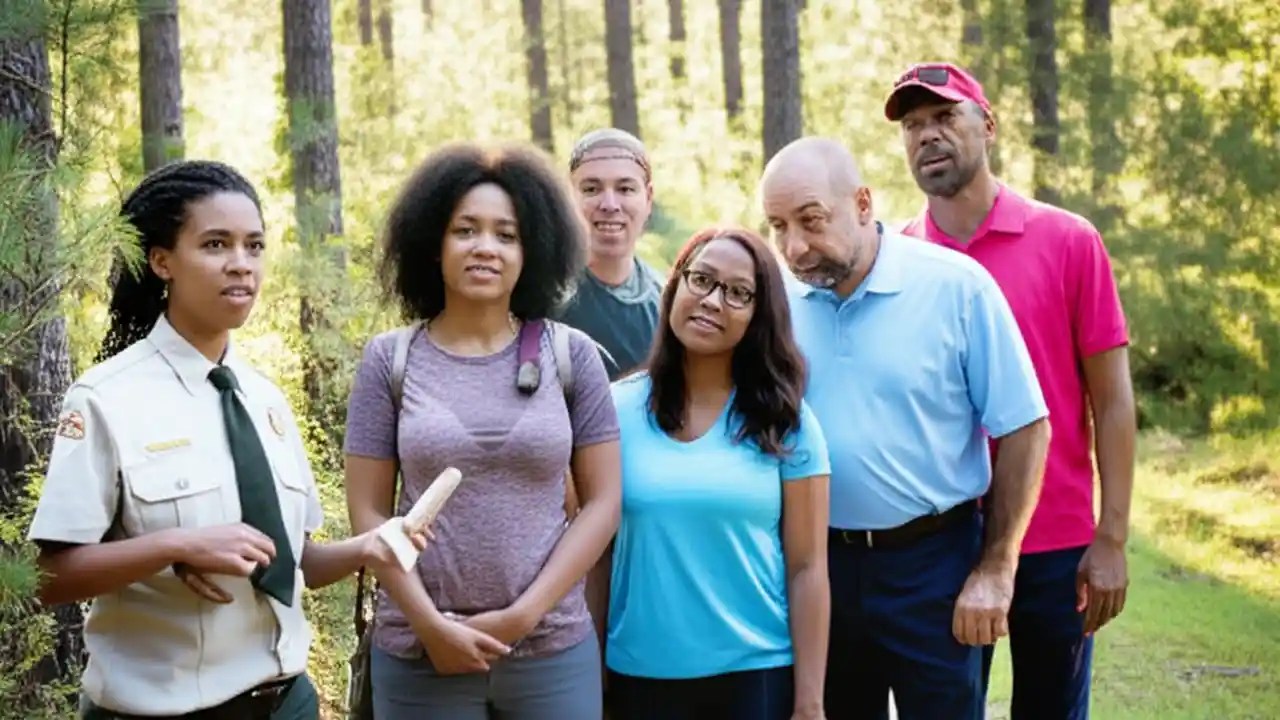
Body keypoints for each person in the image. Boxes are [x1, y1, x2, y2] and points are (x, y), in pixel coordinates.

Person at [26, 160, 426, 720]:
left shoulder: (264, 401)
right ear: (162, 261)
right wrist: (176, 547)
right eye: (216, 245)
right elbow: (47, 579)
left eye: (254, 246)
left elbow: (293, 565)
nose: (241, 265)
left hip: (289, 701)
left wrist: (368, 547)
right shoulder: (105, 399)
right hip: (162, 711)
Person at [760, 136, 1052, 720]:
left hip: (933, 563)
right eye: (778, 226)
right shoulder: (777, 302)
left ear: (863, 203)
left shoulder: (955, 286)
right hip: (818, 567)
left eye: (812, 221)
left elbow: (1025, 426)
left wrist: (996, 568)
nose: (795, 246)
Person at [886, 62, 1136, 720]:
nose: (927, 136)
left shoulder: (1069, 240)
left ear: (987, 125)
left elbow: (1112, 402)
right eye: (913, 125)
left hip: (1057, 544)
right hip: (940, 542)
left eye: (945, 117)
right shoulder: (899, 258)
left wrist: (1110, 538)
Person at [343, 142, 622, 719]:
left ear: (532, 249)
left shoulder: (571, 357)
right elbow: (368, 516)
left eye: (506, 234)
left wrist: (523, 618)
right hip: (421, 654)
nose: (485, 248)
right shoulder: (389, 361)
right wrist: (429, 625)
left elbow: (603, 503)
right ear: (433, 243)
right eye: (465, 230)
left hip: (552, 653)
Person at [605, 228, 831, 720]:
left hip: (756, 676)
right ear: (676, 286)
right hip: (638, 677)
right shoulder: (614, 411)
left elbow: (808, 567)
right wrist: (590, 681)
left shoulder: (787, 422)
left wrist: (810, 704)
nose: (712, 301)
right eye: (702, 280)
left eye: (737, 293)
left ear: (758, 315)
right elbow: (596, 558)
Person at [557, 128, 665, 381]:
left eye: (625, 189)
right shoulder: (542, 296)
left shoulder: (667, 303)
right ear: (569, 197)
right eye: (592, 189)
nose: (609, 205)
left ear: (648, 198)